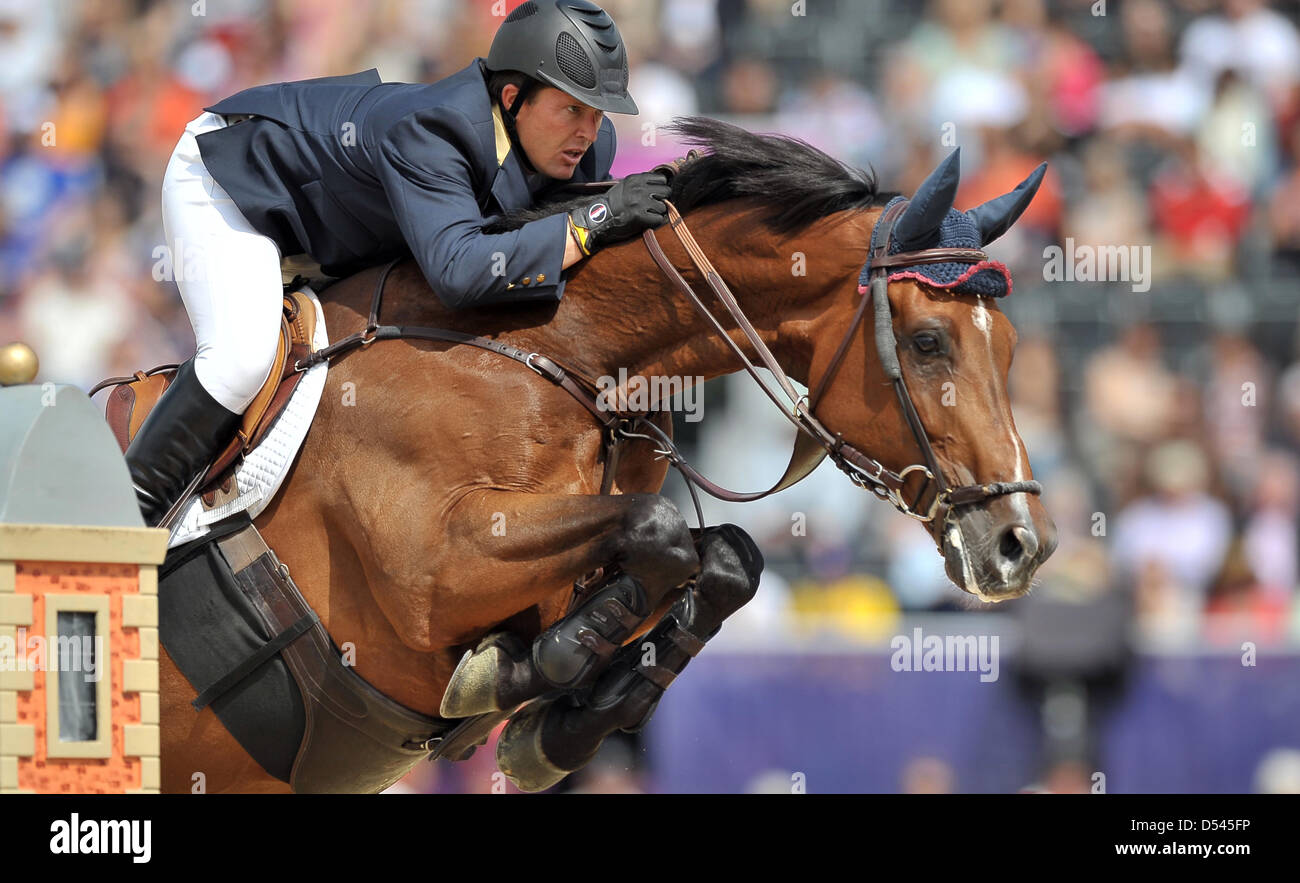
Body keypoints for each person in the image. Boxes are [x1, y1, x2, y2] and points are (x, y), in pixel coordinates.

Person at [125, 0, 671, 527]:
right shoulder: (435, 131)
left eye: (598, 114)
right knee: (242, 360)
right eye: (572, 109)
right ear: (512, 98)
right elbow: (460, 271)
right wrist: (594, 219)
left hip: (338, 232)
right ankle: (120, 528)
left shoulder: (583, 151)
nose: (588, 131)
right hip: (235, 185)